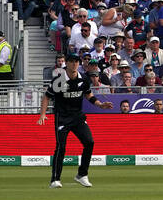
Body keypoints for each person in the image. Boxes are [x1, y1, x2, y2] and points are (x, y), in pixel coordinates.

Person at [38, 54, 111, 188]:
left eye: (76, 62)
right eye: (71, 62)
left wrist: (100, 104)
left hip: (77, 117)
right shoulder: (59, 80)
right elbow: (47, 96)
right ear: (67, 63)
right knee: (61, 147)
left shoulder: (83, 79)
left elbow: (88, 94)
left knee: (89, 142)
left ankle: (82, 175)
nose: (74, 64)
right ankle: (55, 179)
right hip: (62, 118)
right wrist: (43, 114)